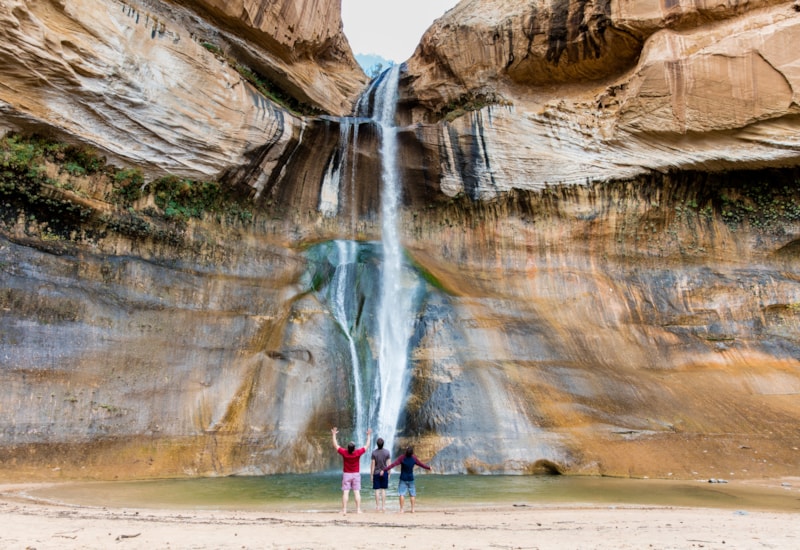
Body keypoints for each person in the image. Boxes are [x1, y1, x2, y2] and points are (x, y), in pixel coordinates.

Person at [331, 426, 371, 514]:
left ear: (348, 448)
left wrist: (334, 434)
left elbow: (335, 445)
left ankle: (344, 510)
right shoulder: (357, 453)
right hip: (356, 474)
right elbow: (367, 445)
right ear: (354, 448)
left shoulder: (344, 453)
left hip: (347, 475)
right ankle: (358, 510)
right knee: (357, 492)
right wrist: (368, 435)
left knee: (345, 492)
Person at [381, 445, 432, 513]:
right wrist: (428, 468)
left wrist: (384, 470)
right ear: (412, 453)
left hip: (403, 478)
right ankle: (413, 509)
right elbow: (421, 464)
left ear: (406, 451)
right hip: (411, 478)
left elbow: (393, 464)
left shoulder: (402, 458)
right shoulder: (414, 458)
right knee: (412, 494)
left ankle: (402, 509)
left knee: (401, 494)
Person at [370, 437, 391, 512]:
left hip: (376, 473)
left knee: (377, 490)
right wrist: (389, 473)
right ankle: (383, 506)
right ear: (383, 444)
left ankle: (377, 506)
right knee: (383, 490)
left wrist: (371, 474)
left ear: (377, 444)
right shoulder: (387, 452)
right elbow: (389, 464)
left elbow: (373, 464)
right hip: (384, 472)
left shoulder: (374, 452)